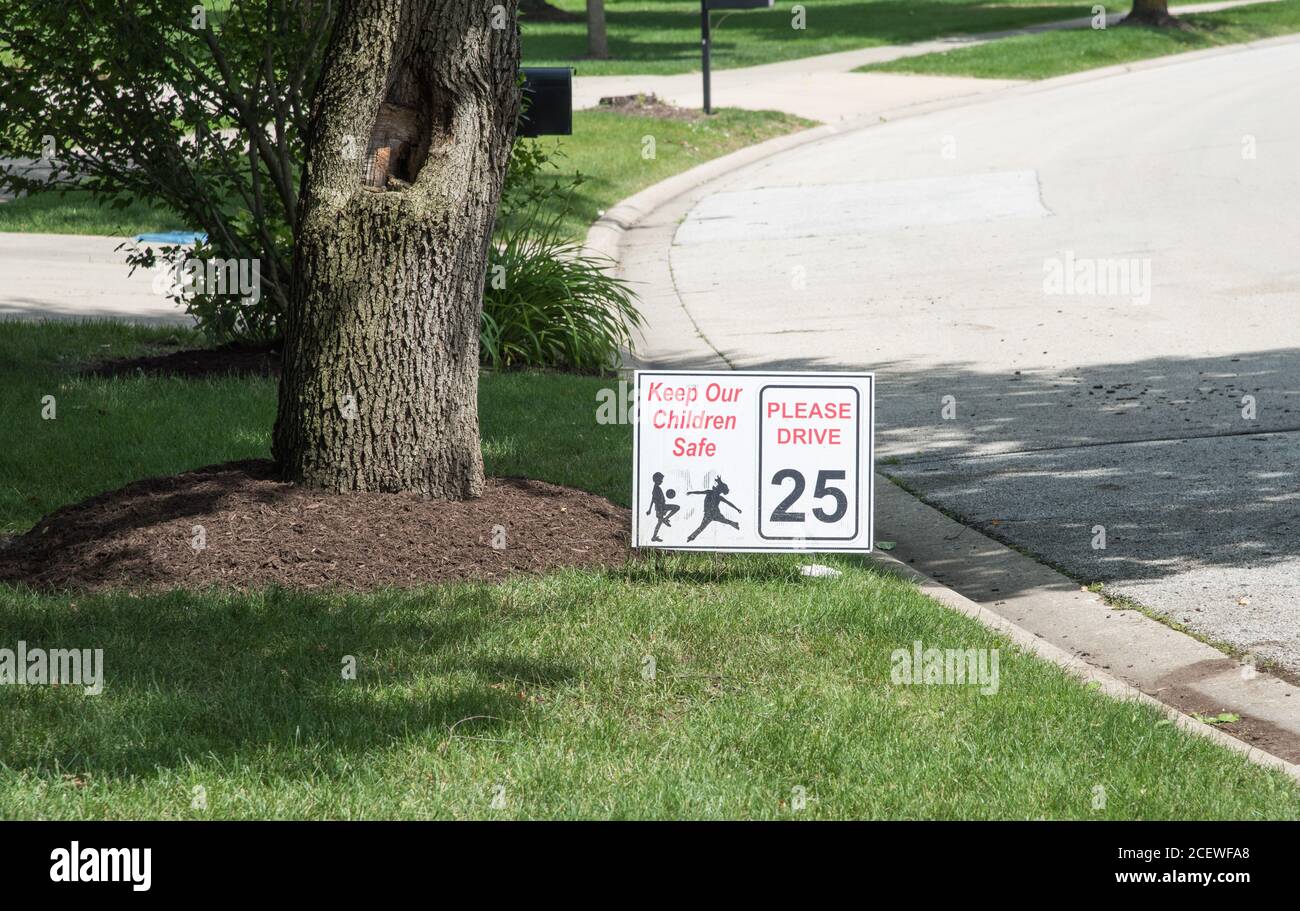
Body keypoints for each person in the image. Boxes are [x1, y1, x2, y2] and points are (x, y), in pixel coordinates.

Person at [685, 476, 741, 542]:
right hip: (711, 513)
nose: (715, 487)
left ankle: (692, 536)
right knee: (722, 521)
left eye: (717, 487)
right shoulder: (710, 492)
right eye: (716, 486)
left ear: (719, 490)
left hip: (712, 513)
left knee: (703, 526)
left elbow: (729, 503)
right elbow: (700, 492)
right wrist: (691, 492)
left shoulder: (717, 496)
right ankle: (734, 524)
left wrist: (737, 509)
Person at [646, 471, 680, 543]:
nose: (661, 481)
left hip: (663, 507)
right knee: (659, 522)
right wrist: (651, 510)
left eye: (662, 480)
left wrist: (650, 510)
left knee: (676, 508)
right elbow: (653, 500)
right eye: (660, 480)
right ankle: (654, 537)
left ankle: (654, 536)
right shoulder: (656, 489)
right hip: (660, 508)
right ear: (656, 480)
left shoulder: (657, 488)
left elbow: (653, 499)